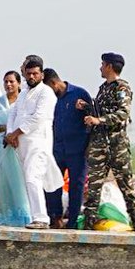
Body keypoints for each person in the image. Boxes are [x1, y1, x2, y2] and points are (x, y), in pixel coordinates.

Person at [81, 52, 135, 231]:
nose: (100, 68)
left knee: (126, 185)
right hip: (99, 145)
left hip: (117, 145)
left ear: (109, 66)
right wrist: (87, 108)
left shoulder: (122, 87)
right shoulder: (103, 89)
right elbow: (100, 110)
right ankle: (88, 223)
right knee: (93, 187)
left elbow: (123, 113)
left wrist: (99, 120)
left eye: (102, 64)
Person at [3, 56, 62, 228]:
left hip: (38, 143)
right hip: (21, 144)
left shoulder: (46, 93)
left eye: (35, 73)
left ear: (42, 74)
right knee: (27, 180)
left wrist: (15, 133)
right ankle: (34, 216)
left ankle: (42, 219)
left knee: (32, 178)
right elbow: (13, 114)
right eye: (29, 73)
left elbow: (37, 118)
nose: (32, 77)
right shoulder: (23, 93)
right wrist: (10, 134)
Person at [43, 68, 92, 228]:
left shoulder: (79, 94)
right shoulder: (50, 99)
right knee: (52, 183)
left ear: (54, 83)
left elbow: (92, 119)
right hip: (57, 148)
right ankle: (55, 217)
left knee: (76, 186)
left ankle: (72, 222)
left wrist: (89, 145)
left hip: (78, 149)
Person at [0, 70, 32, 227]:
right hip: (3, 148)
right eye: (6, 81)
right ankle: (6, 218)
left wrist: (14, 134)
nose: (8, 84)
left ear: (19, 83)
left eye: (12, 81)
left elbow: (28, 123)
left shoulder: (25, 101)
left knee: (21, 183)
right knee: (5, 183)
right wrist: (7, 133)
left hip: (19, 146)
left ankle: (25, 217)